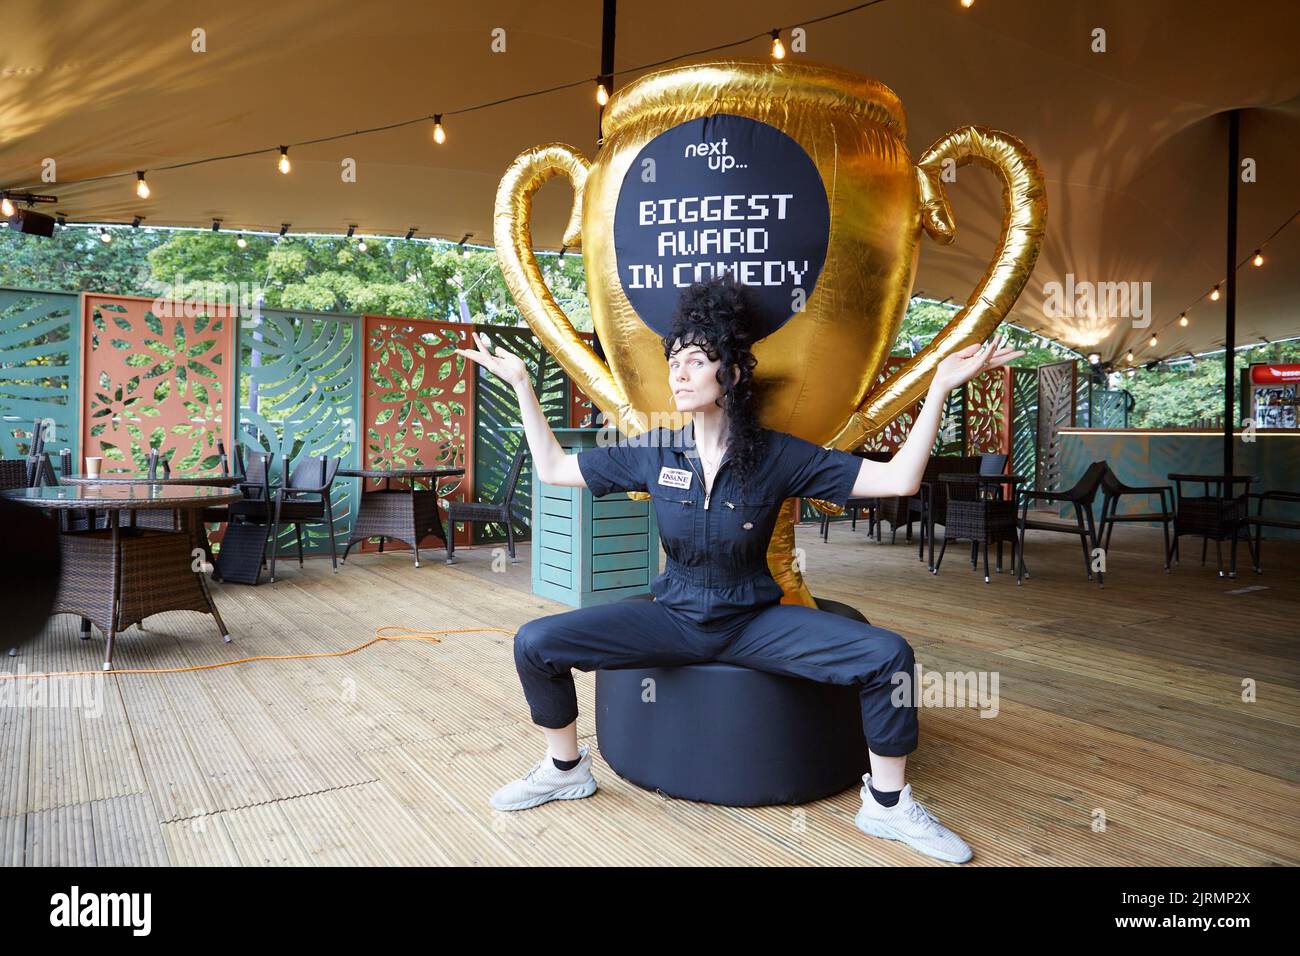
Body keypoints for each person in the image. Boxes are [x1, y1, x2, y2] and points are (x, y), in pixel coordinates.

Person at [454, 275, 1022, 863]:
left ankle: (886, 804)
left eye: (695, 360)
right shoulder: (655, 452)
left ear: (731, 373)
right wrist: (521, 383)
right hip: (672, 617)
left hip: (753, 622)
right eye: (673, 359)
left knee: (888, 656)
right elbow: (550, 467)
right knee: (535, 642)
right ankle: (566, 767)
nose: (677, 371)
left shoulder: (778, 455)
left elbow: (898, 480)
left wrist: (937, 389)